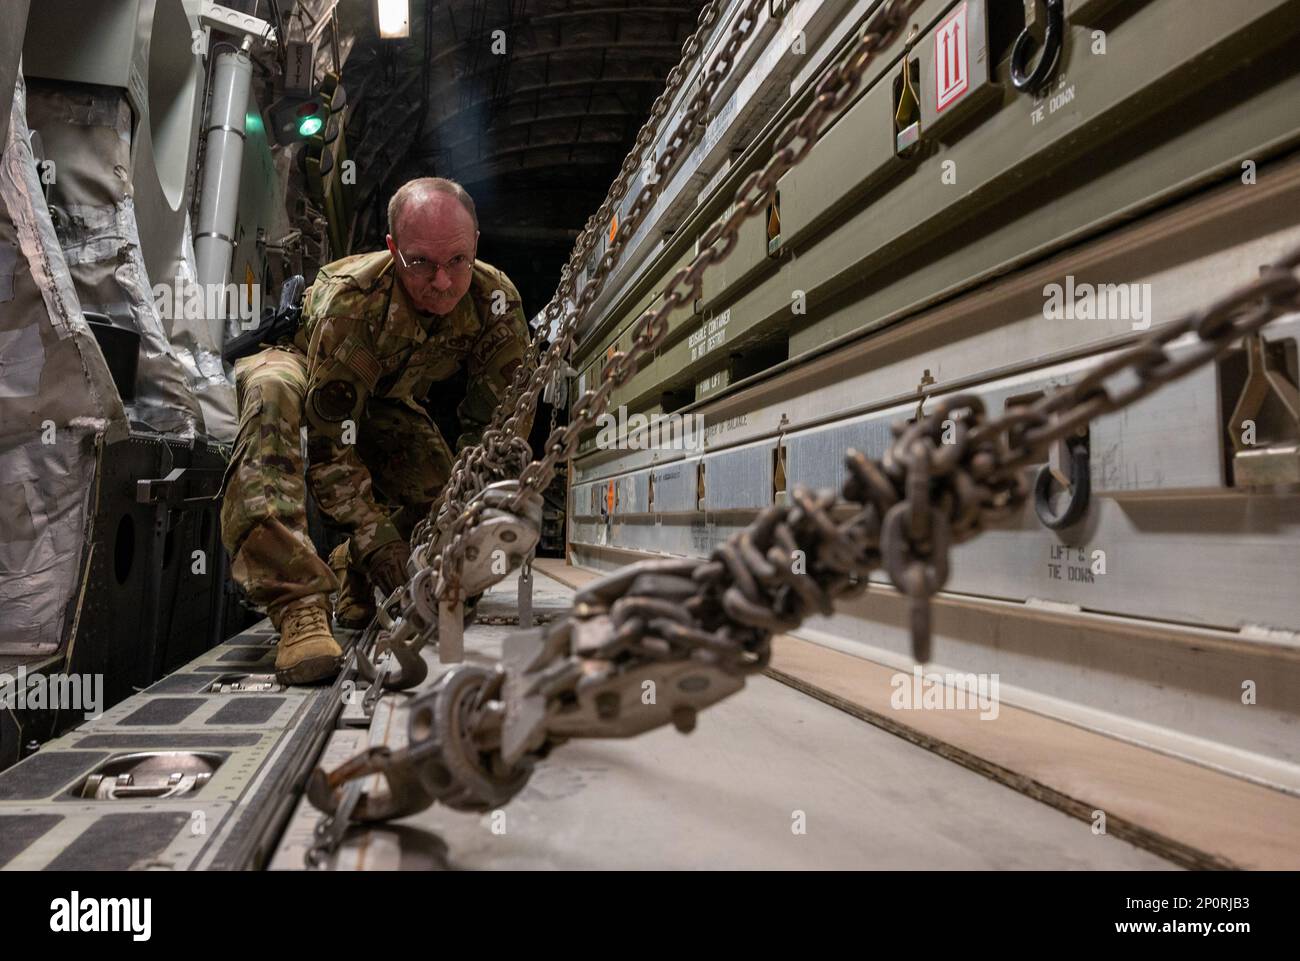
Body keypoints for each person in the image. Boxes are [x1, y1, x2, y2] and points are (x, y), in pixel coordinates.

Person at [219, 177, 534, 683]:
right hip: (304, 367)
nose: (443, 282)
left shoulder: (495, 302)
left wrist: (473, 523)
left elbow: (496, 431)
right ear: (392, 249)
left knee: (442, 496)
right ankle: (298, 605)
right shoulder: (355, 302)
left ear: (475, 242)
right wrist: (380, 541)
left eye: (457, 260)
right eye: (422, 263)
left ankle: (352, 573)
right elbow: (331, 448)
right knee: (271, 393)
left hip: (381, 396)